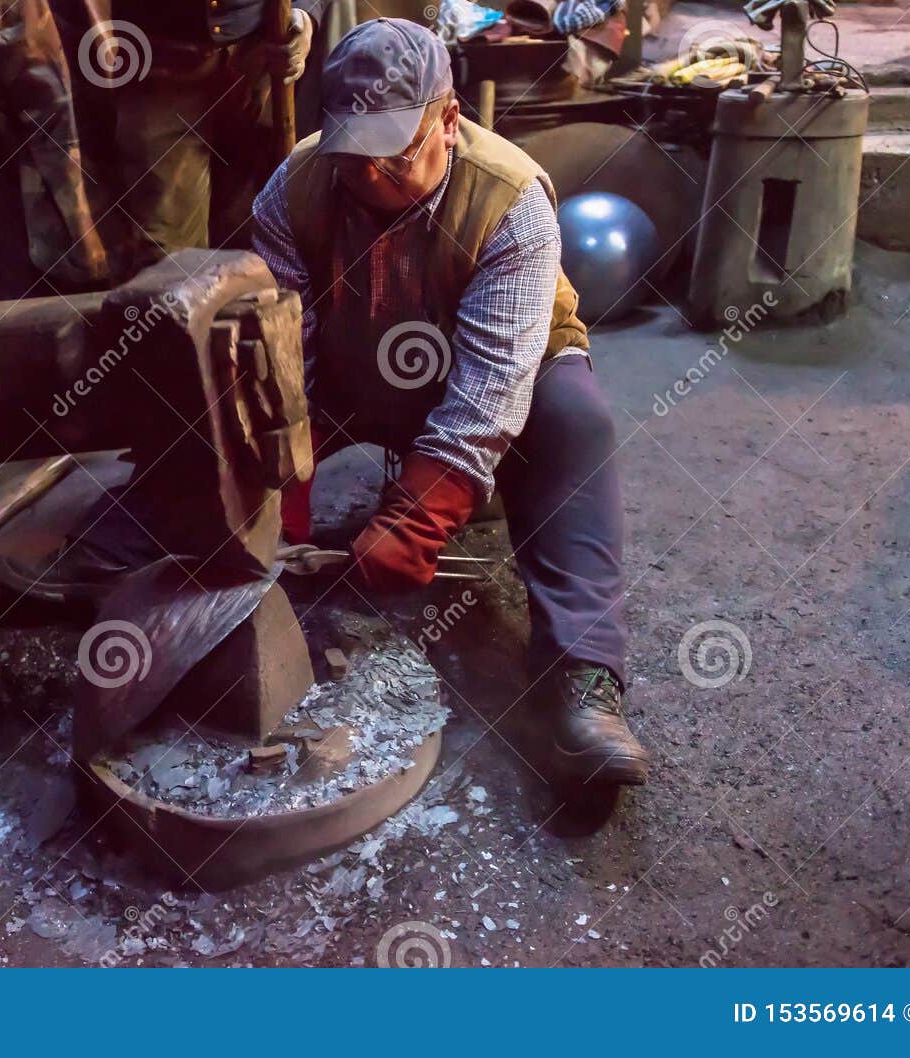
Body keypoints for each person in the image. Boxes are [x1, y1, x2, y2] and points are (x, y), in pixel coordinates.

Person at [251, 18, 648, 786]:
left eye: (395, 158)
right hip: (353, 364)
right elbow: (282, 353)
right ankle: (140, 547)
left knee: (574, 423)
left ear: (449, 121)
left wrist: (419, 510)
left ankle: (584, 678)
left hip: (490, 370)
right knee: (218, 419)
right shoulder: (293, 189)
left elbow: (490, 385)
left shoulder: (514, 200)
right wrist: (277, 474)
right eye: (353, 157)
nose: (370, 180)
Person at [106, 1, 331, 276]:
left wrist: (304, 14)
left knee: (270, 250)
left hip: (265, 55)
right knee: (172, 269)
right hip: (160, 66)